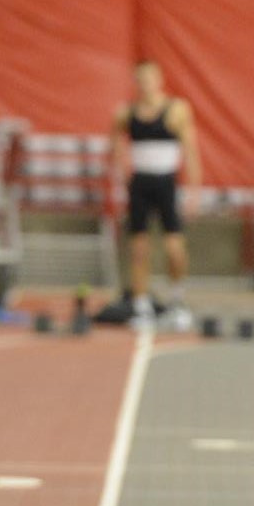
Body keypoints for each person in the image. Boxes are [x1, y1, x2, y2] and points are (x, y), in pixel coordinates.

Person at [110, 59, 201, 331]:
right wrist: (121, 178)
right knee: (138, 248)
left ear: (159, 80)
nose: (145, 85)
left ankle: (176, 300)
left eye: (150, 79)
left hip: (166, 184)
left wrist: (194, 190)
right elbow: (115, 146)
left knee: (174, 247)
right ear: (136, 83)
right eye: (140, 80)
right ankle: (141, 305)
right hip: (139, 185)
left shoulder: (176, 110)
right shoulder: (126, 113)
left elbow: (191, 150)